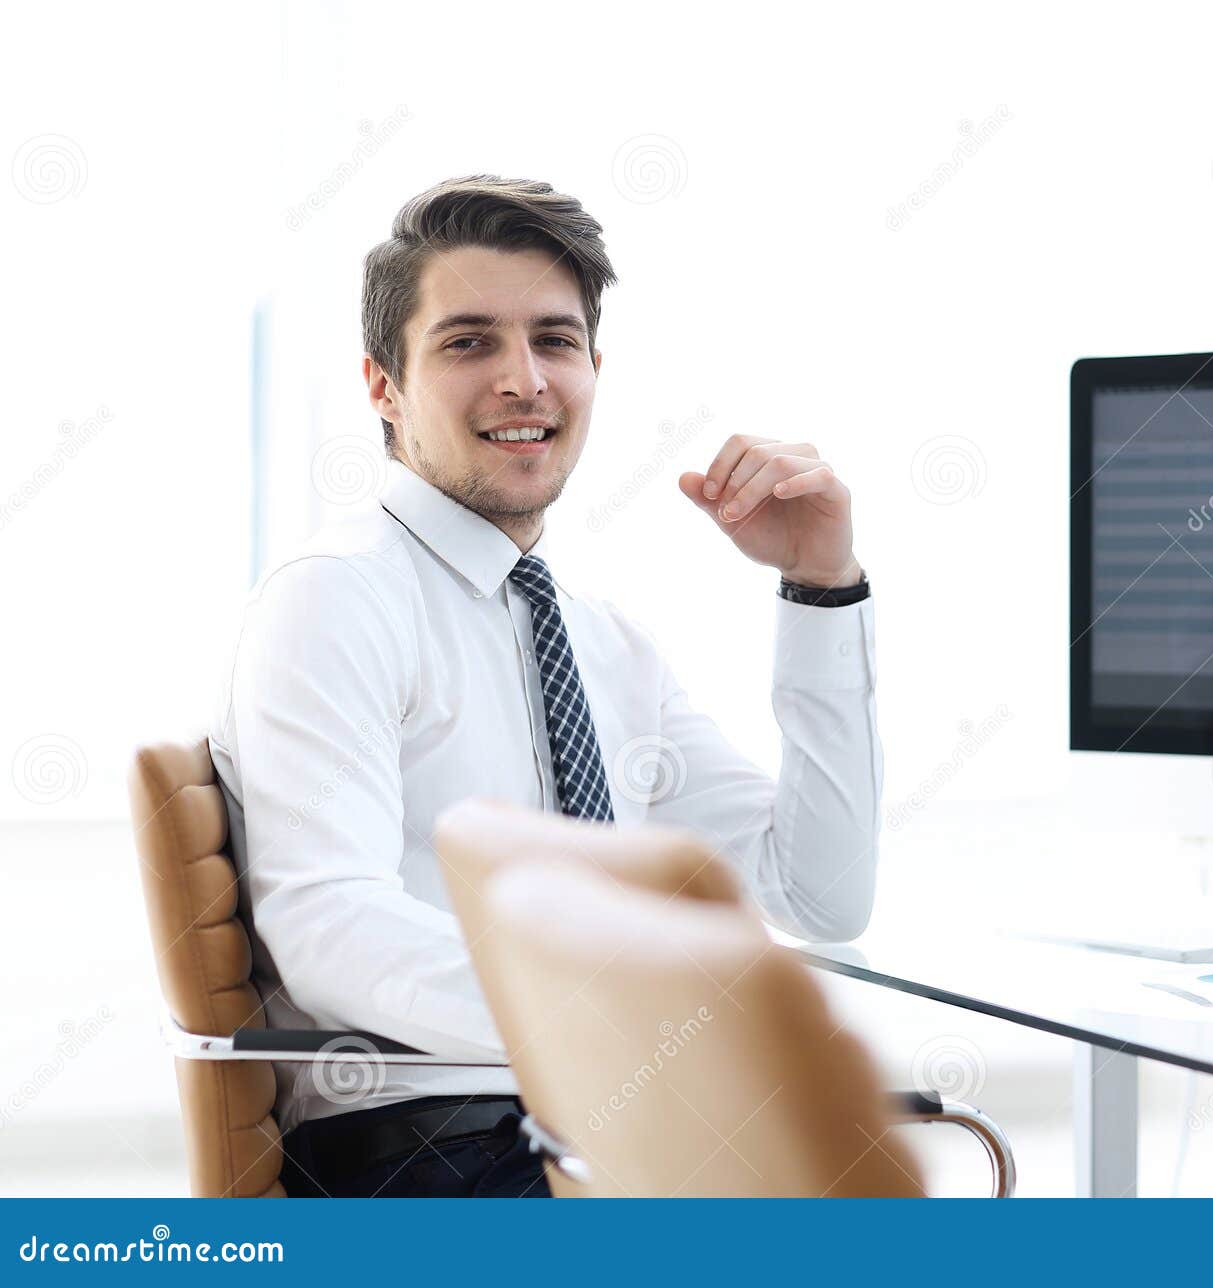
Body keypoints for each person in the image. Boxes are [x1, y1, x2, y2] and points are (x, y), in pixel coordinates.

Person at [208, 175, 881, 1197]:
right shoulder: (336, 599)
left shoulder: (603, 642)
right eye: (469, 341)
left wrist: (821, 587)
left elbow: (819, 894)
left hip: (611, 1133)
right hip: (438, 1149)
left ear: (594, 369)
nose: (524, 380)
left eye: (555, 341)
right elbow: (329, 930)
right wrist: (622, 1023)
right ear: (383, 385)